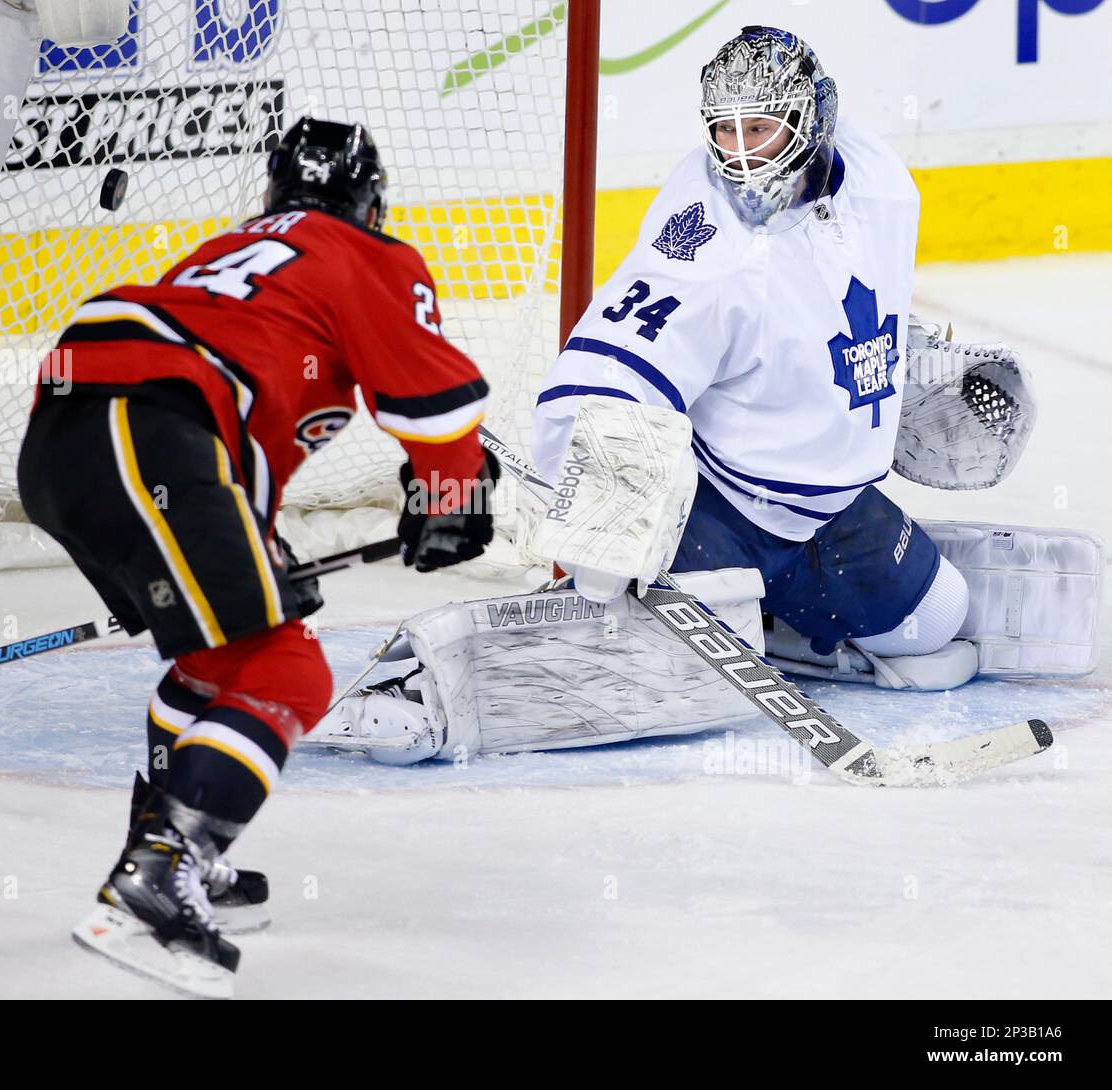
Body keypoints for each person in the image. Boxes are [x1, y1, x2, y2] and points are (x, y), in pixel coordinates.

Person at [310, 26, 1091, 769]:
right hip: (716, 510)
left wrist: (897, 353)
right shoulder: (706, 244)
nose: (742, 156)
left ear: (814, 120)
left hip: (832, 510)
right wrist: (605, 511)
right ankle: (464, 683)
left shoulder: (882, 180)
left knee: (938, 632)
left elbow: (846, 287)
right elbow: (604, 370)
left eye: (763, 129)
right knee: (665, 678)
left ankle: (785, 625)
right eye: (725, 131)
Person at [17, 116, 498, 990]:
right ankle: (156, 881)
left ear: (272, 193)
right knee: (292, 676)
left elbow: (232, 401)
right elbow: (431, 406)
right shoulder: (366, 253)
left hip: (66, 441)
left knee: (218, 659)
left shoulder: (225, 254)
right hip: (152, 428)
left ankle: (174, 856)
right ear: (371, 202)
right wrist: (454, 494)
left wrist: (258, 548)